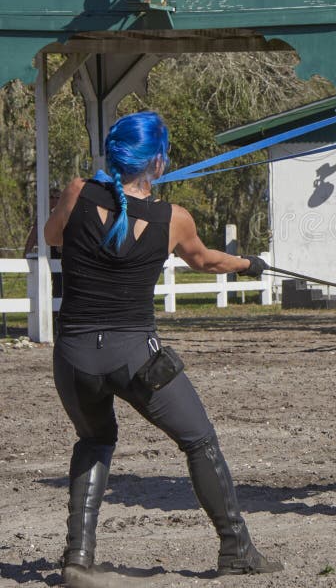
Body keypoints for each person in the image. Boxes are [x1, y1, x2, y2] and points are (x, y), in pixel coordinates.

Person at [44, 112, 281, 586]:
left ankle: (78, 558)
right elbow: (206, 260)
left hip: (72, 356)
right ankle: (235, 548)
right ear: (157, 160)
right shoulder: (173, 219)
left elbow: (53, 238)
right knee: (199, 441)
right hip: (134, 356)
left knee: (94, 440)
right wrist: (248, 264)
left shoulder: (76, 192)